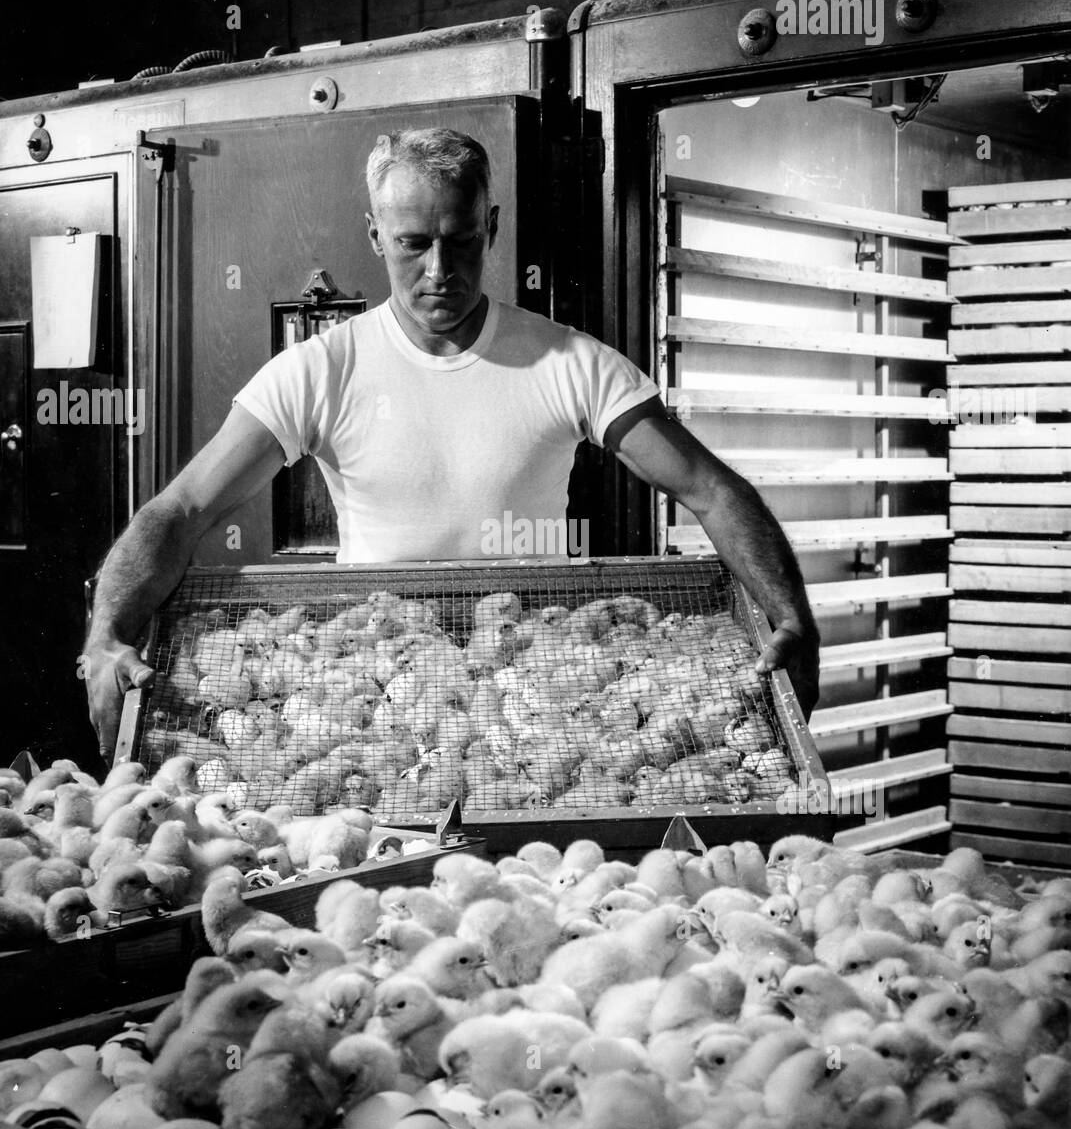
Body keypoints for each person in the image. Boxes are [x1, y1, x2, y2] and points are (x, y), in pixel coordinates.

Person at [85, 127, 819, 756]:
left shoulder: (568, 363)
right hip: (374, 685)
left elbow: (710, 489)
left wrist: (792, 620)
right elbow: (181, 509)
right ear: (374, 235)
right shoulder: (320, 371)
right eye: (412, 245)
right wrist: (106, 635)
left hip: (535, 685)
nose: (439, 272)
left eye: (460, 241)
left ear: (490, 226)